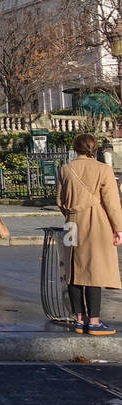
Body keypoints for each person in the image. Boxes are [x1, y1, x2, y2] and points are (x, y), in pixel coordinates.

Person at [57, 133, 122, 336]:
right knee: (94, 270)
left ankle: (79, 319)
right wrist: (118, 228)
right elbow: (112, 203)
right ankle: (94, 321)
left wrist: (72, 213)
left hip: (71, 223)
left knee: (73, 270)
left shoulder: (65, 170)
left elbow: (60, 201)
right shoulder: (103, 170)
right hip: (96, 222)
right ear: (94, 148)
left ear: (75, 148)